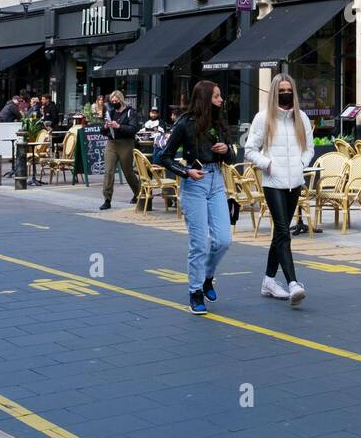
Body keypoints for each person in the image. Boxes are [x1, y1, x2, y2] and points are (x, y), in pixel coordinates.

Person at [158, 80, 233, 314]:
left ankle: (207, 276)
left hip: (217, 180)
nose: (221, 100)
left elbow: (230, 157)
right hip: (194, 183)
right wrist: (185, 172)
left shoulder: (220, 122)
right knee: (199, 243)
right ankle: (195, 291)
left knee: (223, 240)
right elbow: (164, 156)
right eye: (217, 96)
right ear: (205, 98)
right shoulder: (185, 123)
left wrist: (227, 150)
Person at [245, 74, 314, 307]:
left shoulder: (301, 117)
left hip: (294, 181)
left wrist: (301, 165)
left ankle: (268, 281)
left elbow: (309, 148)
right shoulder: (263, 118)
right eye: (282, 90)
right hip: (273, 181)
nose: (286, 93)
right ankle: (293, 283)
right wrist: (268, 165)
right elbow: (250, 149)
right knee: (284, 231)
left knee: (279, 234)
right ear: (275, 92)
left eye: (289, 90)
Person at [97, 90, 142, 211]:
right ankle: (107, 199)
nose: (114, 103)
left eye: (116, 101)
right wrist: (105, 127)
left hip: (126, 143)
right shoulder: (111, 112)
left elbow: (134, 129)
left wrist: (119, 126)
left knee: (128, 172)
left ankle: (139, 193)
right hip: (111, 143)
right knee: (108, 171)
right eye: (112, 101)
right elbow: (102, 131)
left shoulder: (130, 112)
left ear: (121, 100)